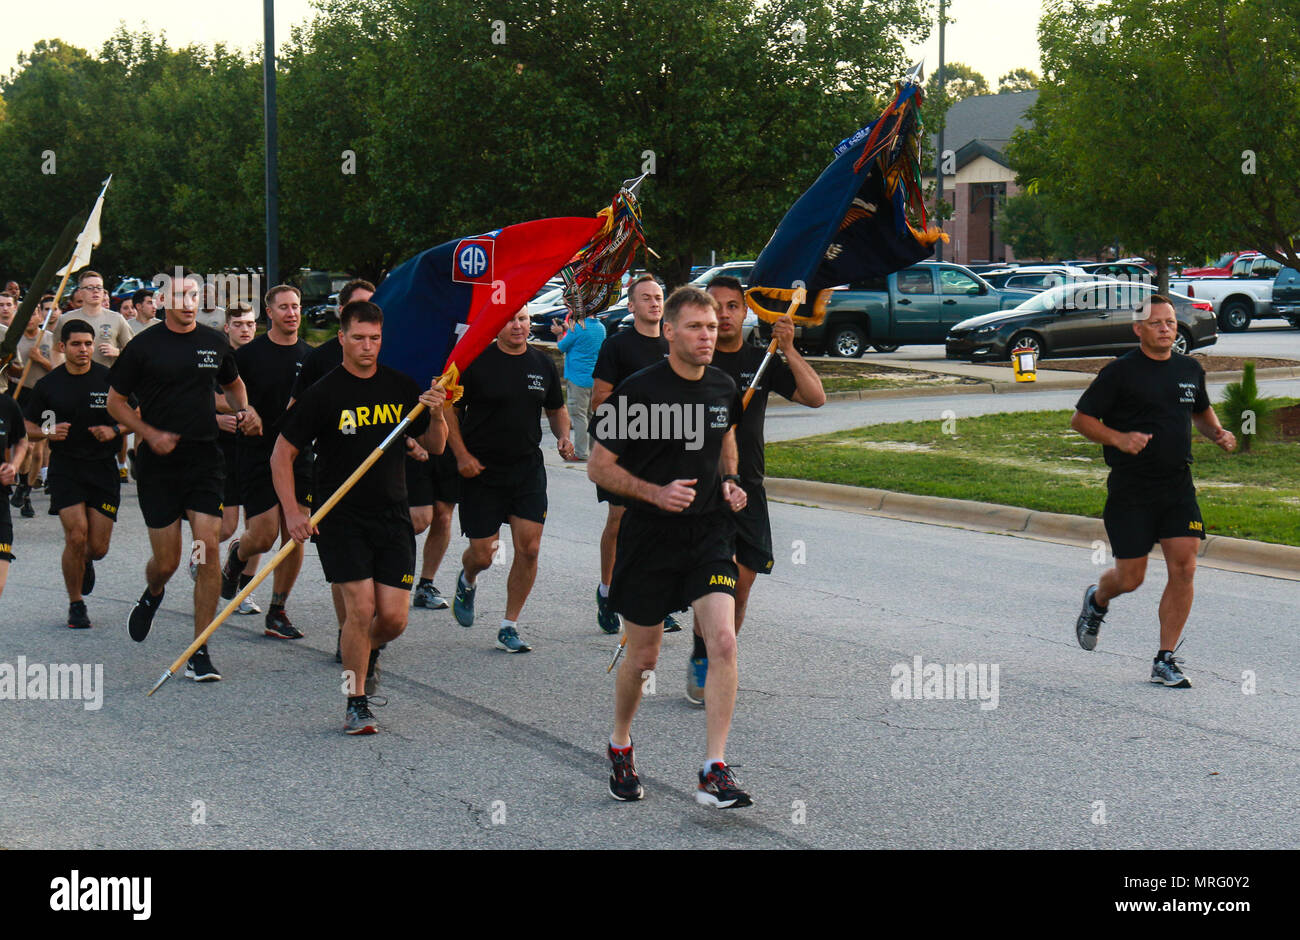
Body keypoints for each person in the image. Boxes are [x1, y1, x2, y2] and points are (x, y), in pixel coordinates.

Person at [588, 285, 751, 807]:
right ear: (671, 332)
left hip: (709, 532)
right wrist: (655, 491)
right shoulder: (637, 393)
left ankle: (714, 767)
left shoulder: (724, 386)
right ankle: (620, 743)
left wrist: (729, 480)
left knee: (722, 641)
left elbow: (726, 438)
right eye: (697, 328)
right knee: (644, 658)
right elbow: (599, 466)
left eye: (713, 327)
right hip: (649, 538)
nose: (710, 335)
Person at [275, 300, 447, 734]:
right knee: (360, 608)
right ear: (342, 339)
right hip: (341, 516)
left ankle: (363, 653)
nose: (367, 347)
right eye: (358, 338)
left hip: (393, 515)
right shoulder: (324, 393)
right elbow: (281, 455)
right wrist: (295, 511)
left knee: (393, 618)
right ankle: (355, 701)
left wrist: (437, 410)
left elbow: (437, 445)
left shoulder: (401, 386)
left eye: (374, 339)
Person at [1071, 294, 1237, 689]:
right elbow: (1081, 420)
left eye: (1171, 323)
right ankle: (1097, 600)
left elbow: (1197, 409)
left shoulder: (1189, 369)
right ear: (1138, 329)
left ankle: (1165, 659)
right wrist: (1118, 438)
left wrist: (1217, 433)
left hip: (1177, 484)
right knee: (1131, 578)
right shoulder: (1119, 373)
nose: (1167, 329)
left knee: (1185, 565)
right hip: (1131, 489)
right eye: (1157, 323)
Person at [106, 271, 260, 682]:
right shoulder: (142, 347)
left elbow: (234, 384)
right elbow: (115, 402)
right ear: (162, 300)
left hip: (204, 458)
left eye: (194, 295)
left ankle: (200, 649)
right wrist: (149, 434)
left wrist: (244, 409)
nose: (189, 302)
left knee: (206, 548)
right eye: (180, 295)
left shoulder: (214, 342)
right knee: (168, 561)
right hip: (158, 463)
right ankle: (153, 592)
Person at [685, 275, 826, 704]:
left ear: (745, 311)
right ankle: (707, 654)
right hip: (705, 489)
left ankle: (716, 650)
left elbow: (815, 397)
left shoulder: (760, 360)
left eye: (732, 306)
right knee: (718, 580)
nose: (724, 315)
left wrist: (788, 348)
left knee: (742, 584)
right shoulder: (694, 363)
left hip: (749, 488)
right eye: (716, 307)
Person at [445, 307, 573, 653]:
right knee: (483, 554)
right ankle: (468, 578)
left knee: (529, 548)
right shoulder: (476, 362)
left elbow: (555, 407)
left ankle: (509, 625)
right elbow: (449, 411)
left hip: (526, 469)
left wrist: (563, 436)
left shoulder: (542, 363)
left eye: (523, 319)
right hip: (481, 471)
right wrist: (461, 455)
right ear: (497, 324)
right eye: (510, 319)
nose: (518, 326)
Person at [588, 274, 681, 635]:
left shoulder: (674, 343)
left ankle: (656, 600)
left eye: (658, 297)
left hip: (666, 450)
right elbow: (599, 400)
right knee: (621, 521)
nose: (654, 303)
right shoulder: (618, 346)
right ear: (631, 306)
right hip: (625, 449)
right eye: (646, 298)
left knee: (662, 524)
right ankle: (608, 591)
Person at [221, 286, 314, 639]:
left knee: (297, 533)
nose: (291, 313)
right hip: (258, 452)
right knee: (262, 536)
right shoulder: (247, 355)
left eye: (296, 307)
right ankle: (237, 555)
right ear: (269, 312)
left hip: (298, 455)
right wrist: (246, 412)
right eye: (284, 307)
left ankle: (278, 610)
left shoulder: (312, 356)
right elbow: (221, 395)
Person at [289, 278, 374, 661]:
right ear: (343, 318)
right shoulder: (318, 362)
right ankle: (348, 632)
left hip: (383, 480)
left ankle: (364, 629)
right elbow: (294, 420)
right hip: (334, 478)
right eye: (358, 310)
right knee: (348, 569)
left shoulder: (385, 358)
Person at [21, 319, 124, 628]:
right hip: (66, 468)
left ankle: (86, 561)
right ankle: (76, 603)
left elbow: (136, 414)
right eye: (77, 344)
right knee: (75, 535)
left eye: (88, 344)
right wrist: (47, 431)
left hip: (103, 469)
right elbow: (28, 426)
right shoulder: (49, 385)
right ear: (62, 347)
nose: (84, 350)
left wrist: (114, 428)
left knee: (97, 548)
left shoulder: (109, 378)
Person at [203, 303, 262, 617]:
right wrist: (217, 418)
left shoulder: (262, 357)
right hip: (222, 451)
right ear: (227, 328)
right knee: (225, 527)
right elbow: (202, 397)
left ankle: (244, 590)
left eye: (250, 324)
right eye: (238, 324)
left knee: (257, 527)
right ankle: (201, 560)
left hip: (256, 449)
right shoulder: (216, 356)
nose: (245, 329)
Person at [67, 271, 134, 481]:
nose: (95, 292)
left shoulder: (116, 319)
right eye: (90, 288)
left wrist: (117, 352)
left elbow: (133, 352)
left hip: (108, 383)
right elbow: (56, 351)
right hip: (75, 383)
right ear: (80, 291)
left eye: (99, 288)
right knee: (75, 430)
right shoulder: (66, 319)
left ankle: (116, 467)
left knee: (110, 429)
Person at [10, 309, 62, 517]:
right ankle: (24, 489)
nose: (30, 319)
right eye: (26, 315)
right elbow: (11, 371)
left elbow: (59, 370)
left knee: (43, 446)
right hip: (22, 396)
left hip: (46, 398)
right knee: (27, 445)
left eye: (34, 315)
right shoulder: (13, 341)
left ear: (41, 317)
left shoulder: (50, 339)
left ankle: (29, 489)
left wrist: (40, 359)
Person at [551, 304, 605, 461]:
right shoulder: (601, 328)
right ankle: (593, 451)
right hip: (594, 377)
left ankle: (581, 453)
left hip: (577, 377)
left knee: (579, 415)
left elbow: (562, 346)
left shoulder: (577, 328)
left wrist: (560, 333)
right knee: (591, 415)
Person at [0, 383, 29, 600]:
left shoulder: (7, 404)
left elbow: (22, 439)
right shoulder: (52, 385)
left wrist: (14, 466)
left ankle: (29, 485)